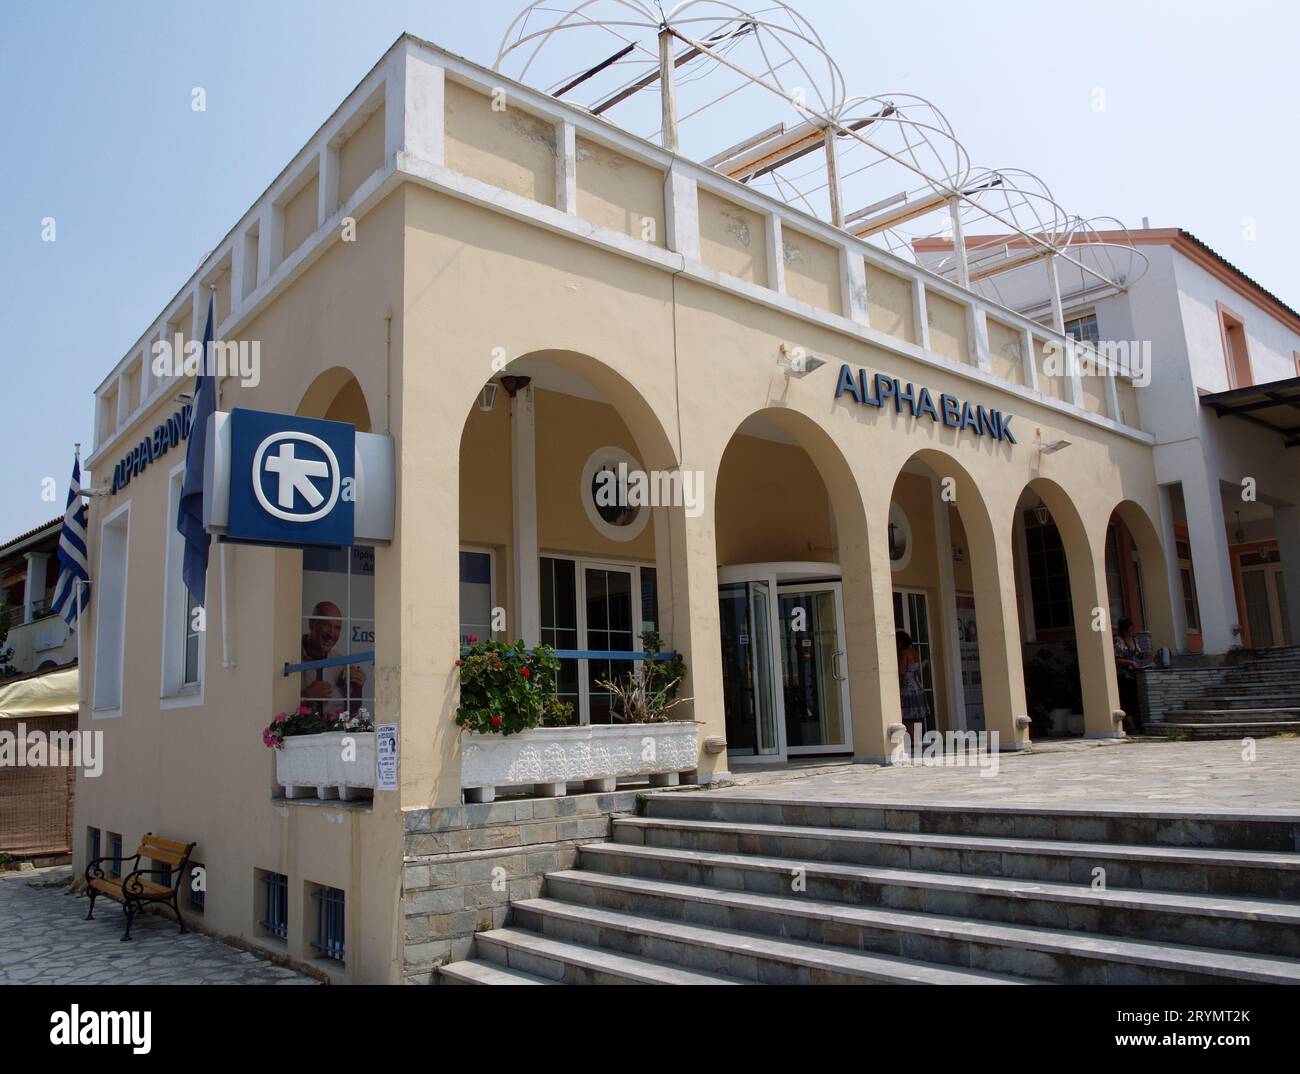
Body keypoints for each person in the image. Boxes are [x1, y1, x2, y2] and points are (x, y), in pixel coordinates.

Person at [300, 600, 366, 716]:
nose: (331, 634)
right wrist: (305, 697)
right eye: (326, 625)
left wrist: (357, 688)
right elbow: (273, 704)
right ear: (312, 624)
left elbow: (351, 712)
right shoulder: (289, 657)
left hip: (333, 734)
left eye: (337, 628)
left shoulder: (341, 664)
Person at [1113, 618, 1151, 733]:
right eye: (1129, 630)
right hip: (1124, 675)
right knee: (1127, 701)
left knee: (1136, 700)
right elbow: (1116, 659)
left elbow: (1138, 655)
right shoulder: (1118, 641)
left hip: (1135, 675)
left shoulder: (1134, 640)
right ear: (1124, 631)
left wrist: (1147, 656)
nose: (1131, 632)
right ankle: (1132, 726)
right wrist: (1130, 662)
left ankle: (1139, 724)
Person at [897, 630, 931, 736]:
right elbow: (918, 669)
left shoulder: (905, 652)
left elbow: (902, 671)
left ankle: (913, 737)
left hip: (908, 688)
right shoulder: (914, 652)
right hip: (917, 687)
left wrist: (899, 686)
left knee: (906, 716)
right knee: (917, 716)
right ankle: (917, 737)